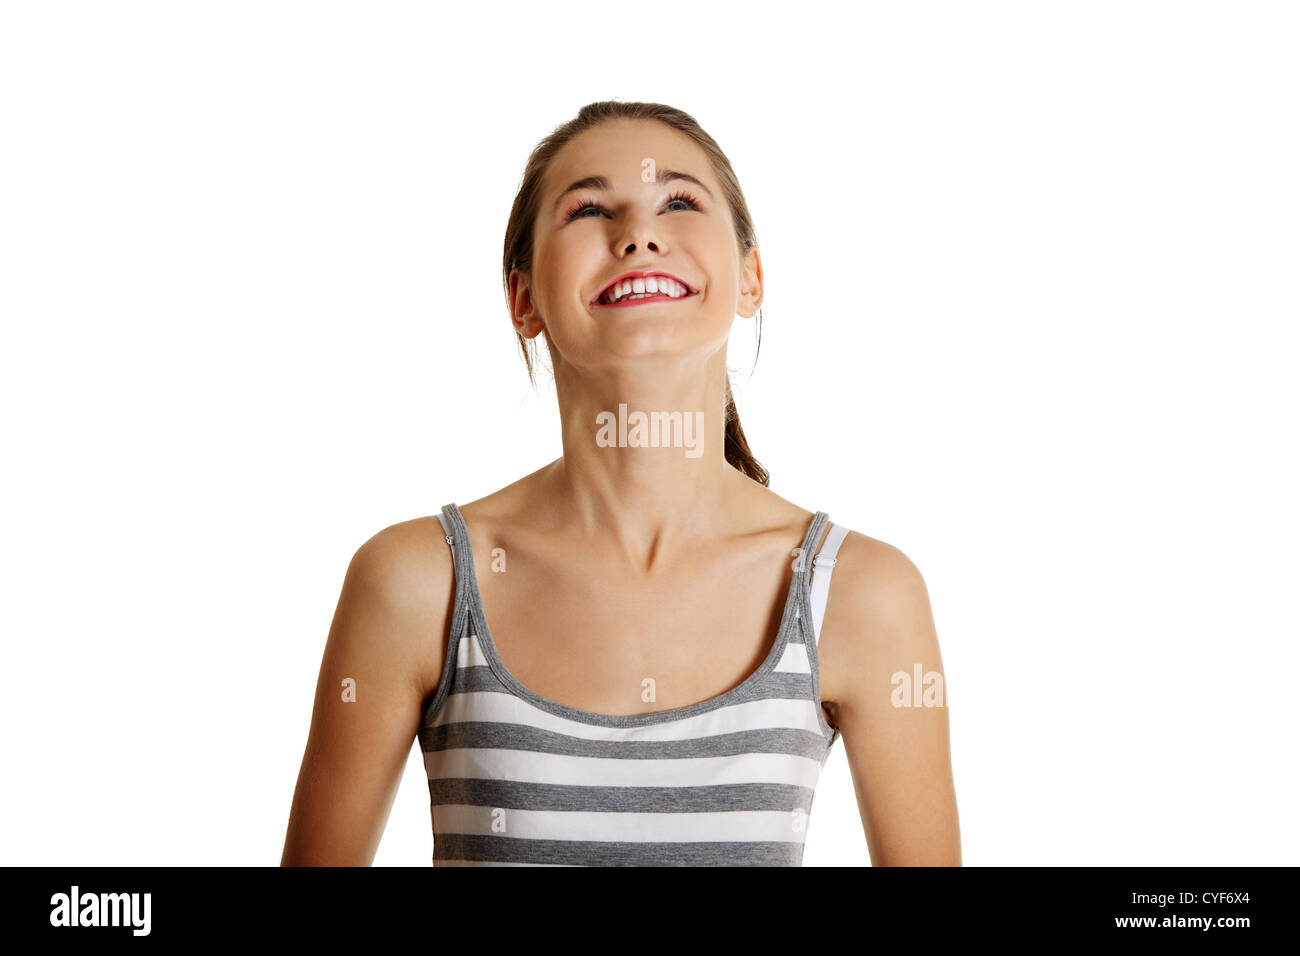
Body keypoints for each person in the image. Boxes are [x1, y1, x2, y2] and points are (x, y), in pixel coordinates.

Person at [281, 100, 961, 866]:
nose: (638, 234)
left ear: (751, 278)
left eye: (679, 201)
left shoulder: (862, 592)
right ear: (524, 299)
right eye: (588, 210)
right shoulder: (416, 582)